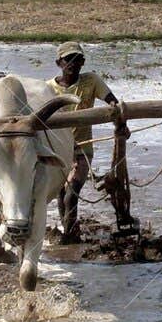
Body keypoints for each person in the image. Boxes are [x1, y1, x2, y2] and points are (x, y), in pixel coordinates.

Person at [50, 42, 131, 243]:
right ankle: (68, 230)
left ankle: (68, 236)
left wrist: (118, 114)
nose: (73, 63)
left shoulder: (91, 81)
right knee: (60, 194)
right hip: (57, 150)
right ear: (59, 62)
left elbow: (111, 101)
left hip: (82, 150)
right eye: (68, 59)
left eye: (77, 59)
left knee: (71, 194)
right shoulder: (48, 89)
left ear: (83, 62)